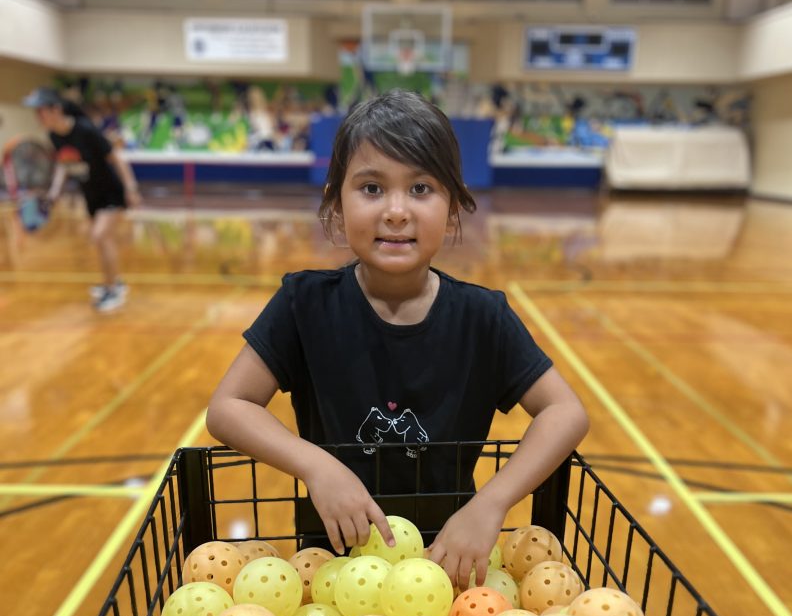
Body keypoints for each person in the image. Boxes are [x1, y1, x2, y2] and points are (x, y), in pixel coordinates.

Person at [206, 90, 589, 588]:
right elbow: (227, 407)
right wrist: (317, 466)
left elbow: (566, 412)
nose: (395, 211)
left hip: (448, 565)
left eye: (421, 188)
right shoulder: (304, 304)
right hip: (331, 570)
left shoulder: (482, 316)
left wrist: (489, 505)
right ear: (336, 202)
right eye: (370, 188)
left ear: (453, 207)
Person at [22, 86, 140, 312]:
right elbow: (64, 163)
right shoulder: (54, 135)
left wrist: (131, 188)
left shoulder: (86, 130)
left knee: (100, 236)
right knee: (102, 240)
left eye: (41, 111)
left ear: (55, 109)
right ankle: (114, 281)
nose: (38, 117)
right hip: (91, 194)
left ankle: (113, 291)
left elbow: (116, 158)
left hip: (111, 191)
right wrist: (55, 191)